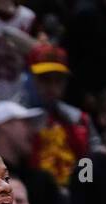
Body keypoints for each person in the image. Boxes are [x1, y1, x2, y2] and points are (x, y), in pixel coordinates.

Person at [24, 44, 92, 192]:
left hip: (72, 199)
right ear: (28, 78)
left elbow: (88, 158)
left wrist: (84, 187)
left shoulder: (79, 119)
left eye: (58, 80)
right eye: (45, 79)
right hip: (31, 198)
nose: (52, 86)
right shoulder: (14, 119)